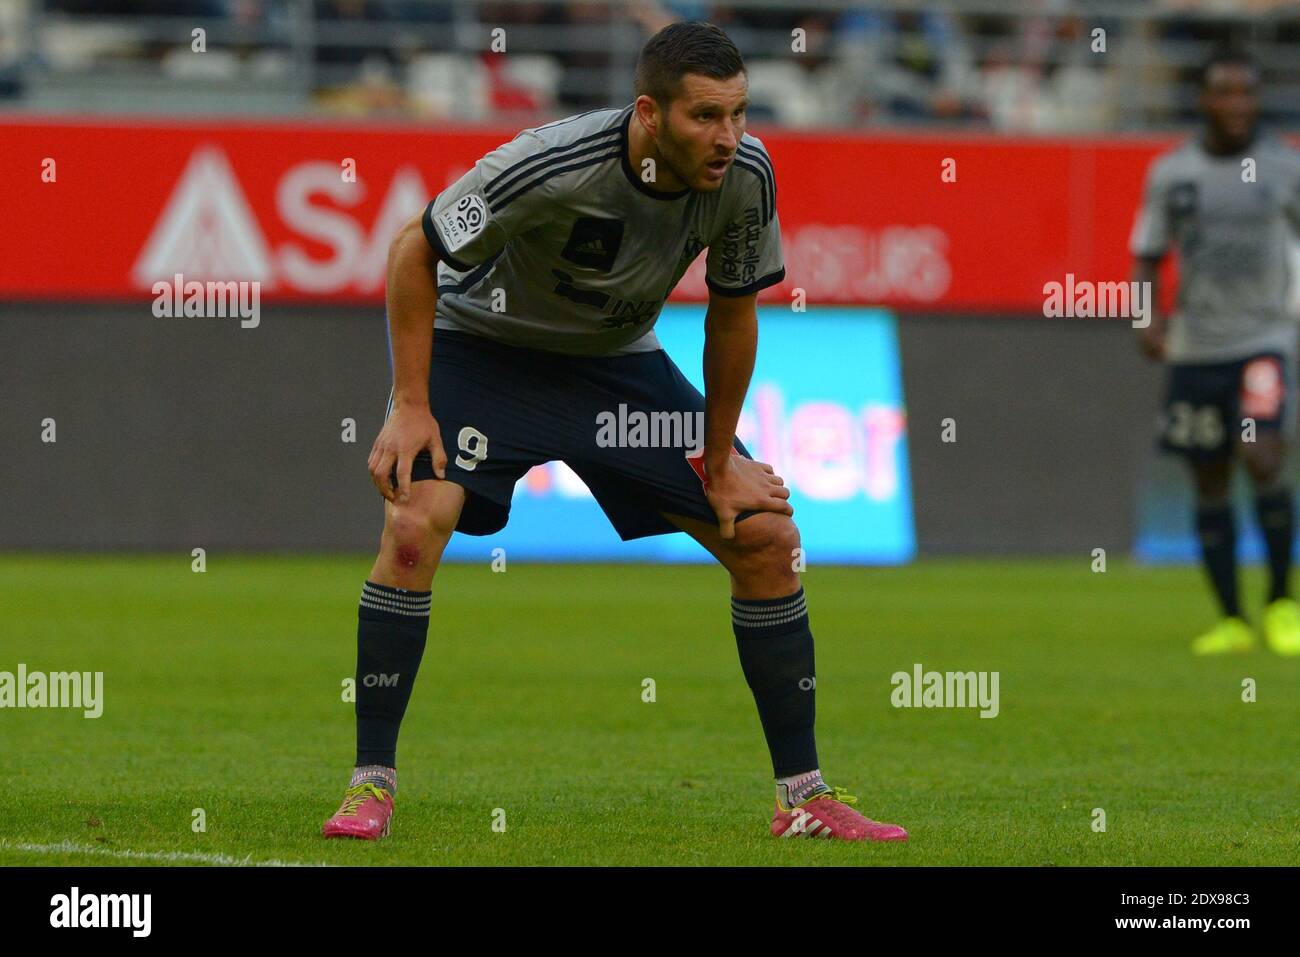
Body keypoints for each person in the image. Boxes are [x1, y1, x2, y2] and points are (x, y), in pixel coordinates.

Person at [320, 21, 908, 842]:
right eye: (705, 117)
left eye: (739, 114)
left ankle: (802, 797)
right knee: (416, 523)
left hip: (614, 369)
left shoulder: (746, 176)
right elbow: (412, 252)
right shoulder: (551, 163)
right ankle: (368, 784)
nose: (728, 137)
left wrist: (720, 451)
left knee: (768, 536)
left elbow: (733, 316)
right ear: (648, 114)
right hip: (485, 354)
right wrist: (411, 403)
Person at [1132, 49, 1300, 656]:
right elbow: (1149, 252)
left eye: (1246, 94)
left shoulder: (1284, 167)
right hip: (1197, 347)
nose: (1237, 105)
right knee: (1209, 477)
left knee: (1260, 456)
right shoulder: (1173, 173)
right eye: (1224, 93)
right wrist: (1148, 319)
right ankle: (1231, 618)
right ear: (1202, 100)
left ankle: (1282, 603)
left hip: (1263, 339)